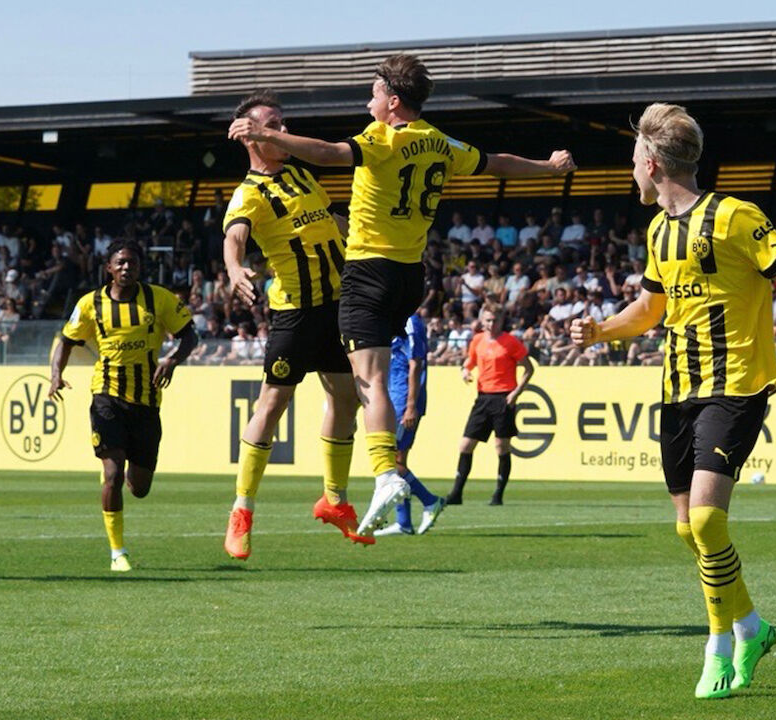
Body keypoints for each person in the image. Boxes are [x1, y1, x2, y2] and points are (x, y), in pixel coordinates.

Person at [228, 53, 575, 535]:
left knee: (367, 380)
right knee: (352, 386)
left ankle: (386, 474)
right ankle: (343, 493)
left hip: (367, 274)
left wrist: (267, 134)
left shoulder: (381, 139)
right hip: (410, 276)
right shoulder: (439, 141)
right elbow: (496, 163)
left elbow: (328, 153)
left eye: (372, 94)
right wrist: (548, 166)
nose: (367, 102)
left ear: (392, 102)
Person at [569, 103, 776, 699]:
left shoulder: (734, 215)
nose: (632, 174)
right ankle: (752, 626)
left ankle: (718, 644)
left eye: (633, 163)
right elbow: (652, 310)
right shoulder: (657, 230)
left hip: (735, 385)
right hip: (677, 388)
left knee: (706, 519)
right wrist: (601, 330)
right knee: (688, 529)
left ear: (652, 164)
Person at [219, 91, 365, 560]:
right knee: (273, 402)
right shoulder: (249, 193)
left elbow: (331, 221)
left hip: (338, 306)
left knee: (346, 397)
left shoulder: (302, 173)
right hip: (296, 311)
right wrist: (234, 268)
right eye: (272, 125)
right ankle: (241, 511)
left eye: (283, 122)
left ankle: (334, 500)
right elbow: (234, 236)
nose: (282, 131)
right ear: (250, 136)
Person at [48, 241, 197, 571]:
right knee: (112, 473)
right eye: (121, 263)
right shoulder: (91, 304)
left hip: (146, 401)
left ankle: (123, 473)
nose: (127, 268)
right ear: (109, 269)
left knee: (139, 487)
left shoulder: (159, 299)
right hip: (106, 397)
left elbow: (190, 335)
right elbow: (67, 341)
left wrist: (173, 360)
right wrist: (56, 375)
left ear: (140, 267)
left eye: (132, 262)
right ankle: (118, 552)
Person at [446, 303, 533, 506]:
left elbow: (529, 368)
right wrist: (464, 371)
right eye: (488, 320)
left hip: (503, 397)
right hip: (483, 397)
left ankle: (498, 494)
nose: (491, 324)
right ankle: (456, 493)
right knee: (466, 444)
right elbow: (470, 361)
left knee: (501, 446)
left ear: (501, 321)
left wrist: (516, 393)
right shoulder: (477, 340)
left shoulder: (511, 342)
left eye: (495, 320)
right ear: (482, 321)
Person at [376, 311, 447, 536]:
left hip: (403, 400)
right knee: (396, 460)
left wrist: (410, 405)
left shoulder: (410, 321)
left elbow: (416, 363)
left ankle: (430, 500)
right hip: (393, 395)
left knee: (391, 461)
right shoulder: (393, 319)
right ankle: (404, 521)